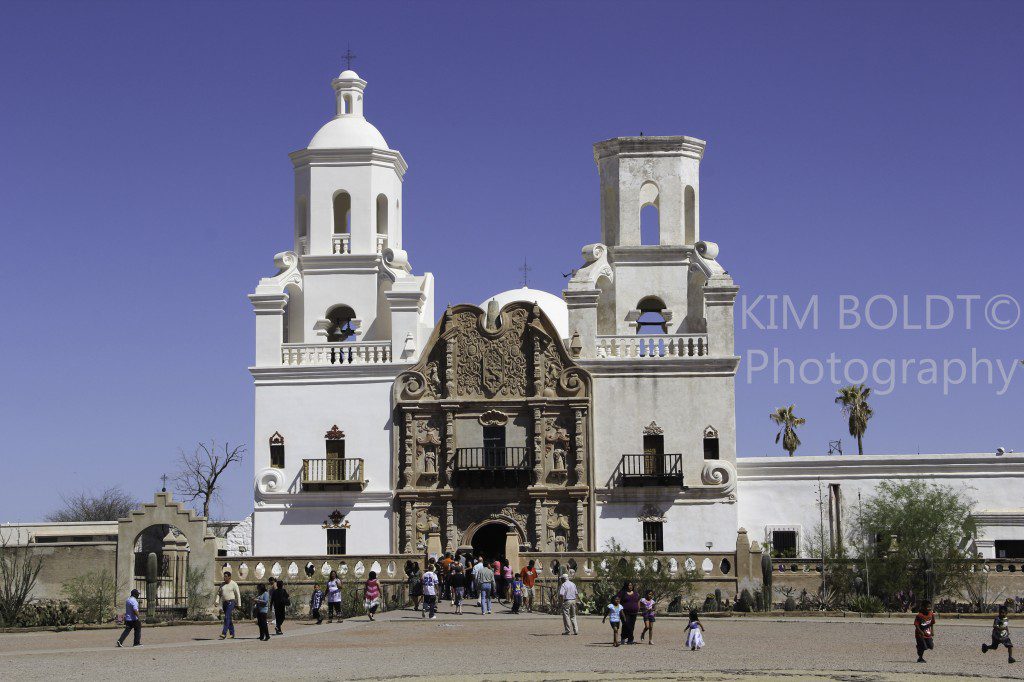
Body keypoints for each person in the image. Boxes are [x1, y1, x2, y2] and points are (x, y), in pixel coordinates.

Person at [217, 569, 242, 640]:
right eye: (224, 576)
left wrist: (239, 604)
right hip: (225, 603)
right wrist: (217, 601)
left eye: (226, 576)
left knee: (226, 617)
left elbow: (238, 594)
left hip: (231, 602)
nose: (224, 578)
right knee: (229, 618)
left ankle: (224, 633)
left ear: (229, 577)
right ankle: (232, 634)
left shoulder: (234, 584)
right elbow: (219, 594)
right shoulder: (222, 585)